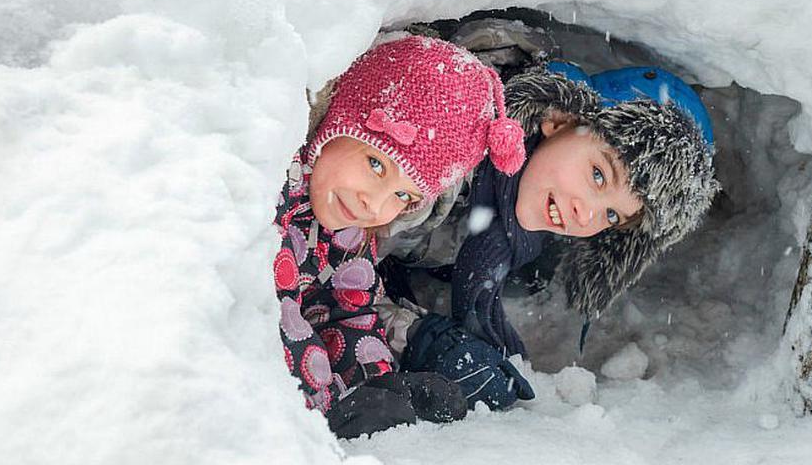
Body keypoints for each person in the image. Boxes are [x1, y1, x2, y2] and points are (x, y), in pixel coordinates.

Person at [380, 46, 720, 410]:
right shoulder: (444, 154)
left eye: (611, 217)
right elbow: (330, 258)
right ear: (558, 119)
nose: (586, 215)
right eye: (598, 175)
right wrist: (416, 334)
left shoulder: (524, 234)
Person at [272, 35, 526, 438]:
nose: (374, 204)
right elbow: (269, 324)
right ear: (340, 119)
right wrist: (330, 404)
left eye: (403, 195)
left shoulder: (349, 224)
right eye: (376, 163)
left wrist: (380, 385)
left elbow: (347, 310)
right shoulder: (270, 189)